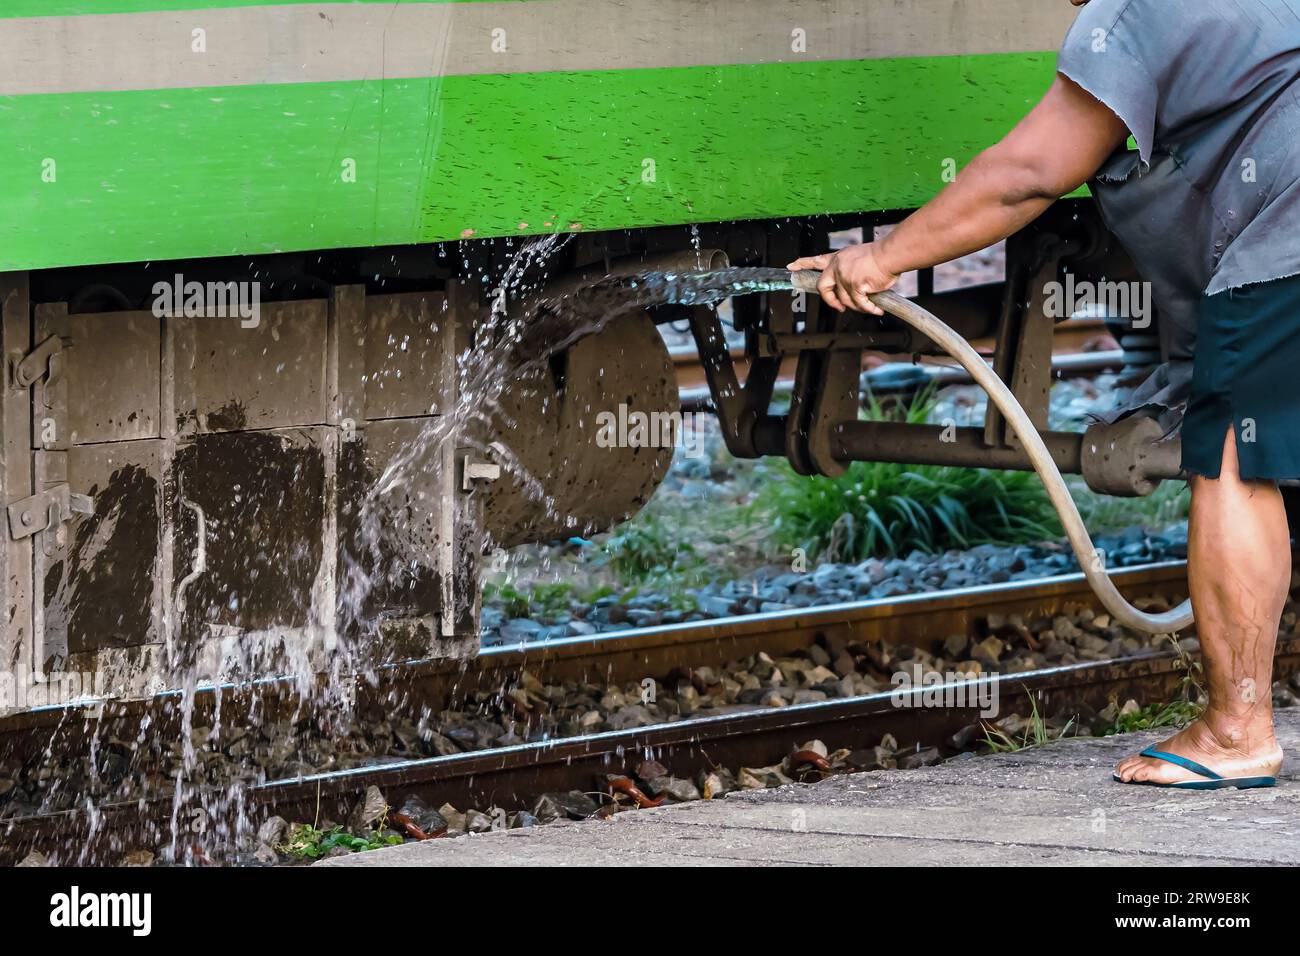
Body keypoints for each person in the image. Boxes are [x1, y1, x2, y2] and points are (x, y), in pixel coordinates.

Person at [790, 0, 1300, 789]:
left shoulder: (1130, 12)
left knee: (1233, 454)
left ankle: (1237, 732)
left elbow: (1027, 175)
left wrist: (885, 255)